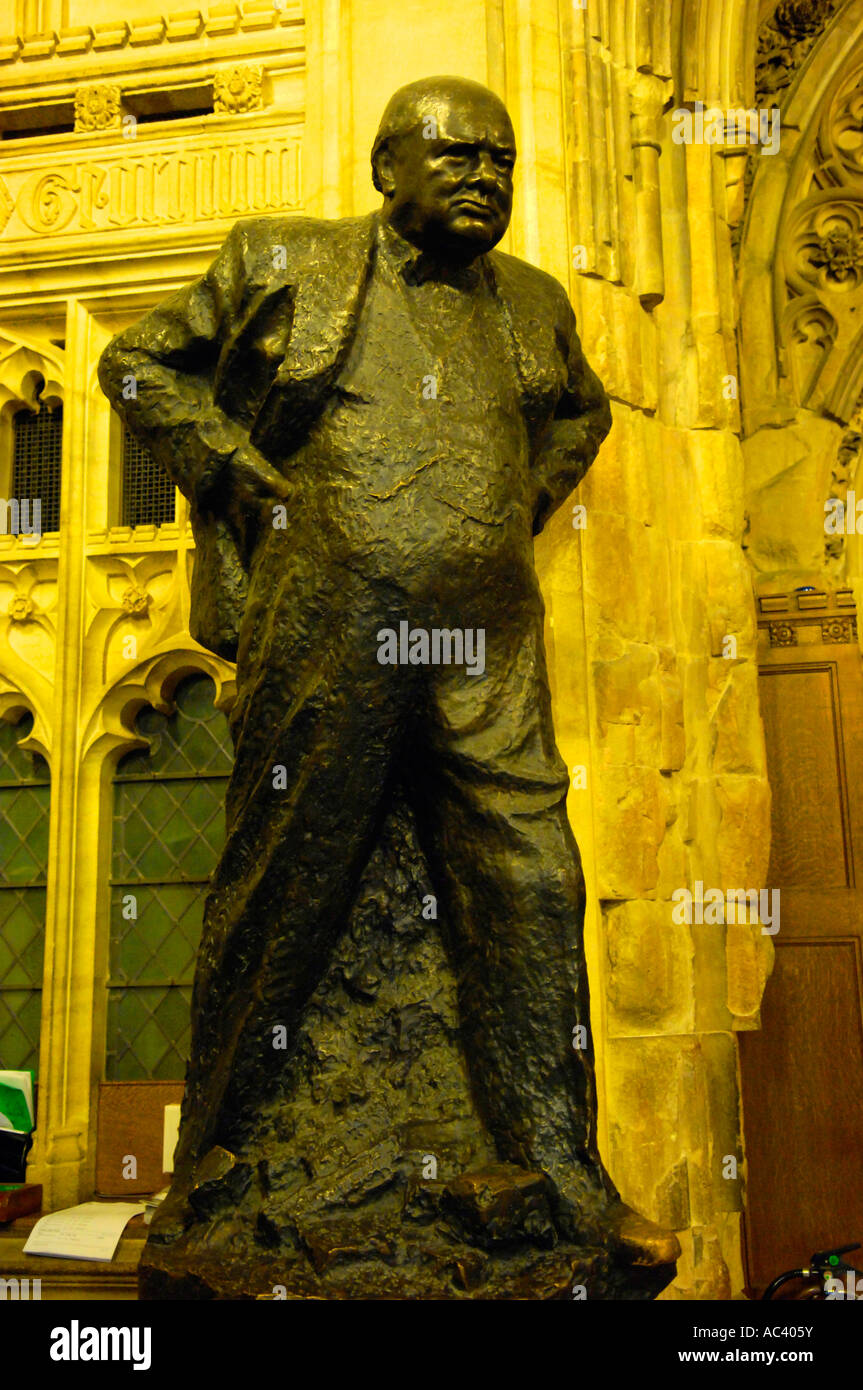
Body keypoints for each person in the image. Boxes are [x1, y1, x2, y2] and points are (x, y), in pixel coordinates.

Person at [99, 75, 679, 1274]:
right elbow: (140, 366)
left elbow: (581, 413)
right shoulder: (283, 260)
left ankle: (567, 1176)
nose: (483, 177)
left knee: (532, 879)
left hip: (486, 637)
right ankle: (213, 1166)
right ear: (386, 172)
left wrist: (514, 504)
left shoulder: (529, 300)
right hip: (329, 621)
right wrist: (237, 470)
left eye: (502, 162)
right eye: (456, 155)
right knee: (287, 880)